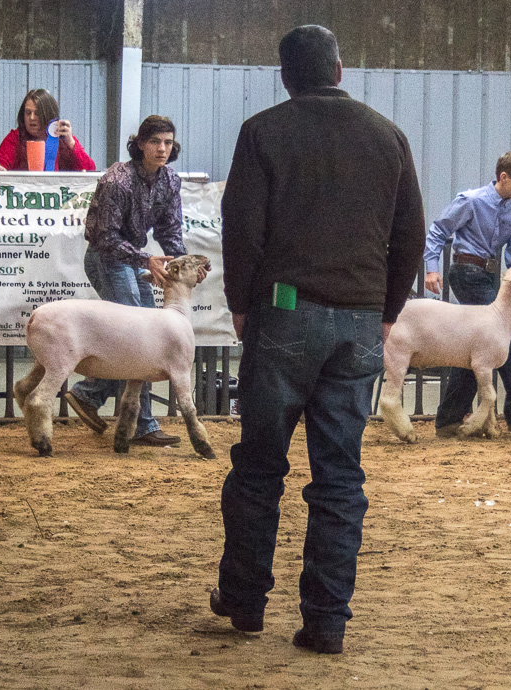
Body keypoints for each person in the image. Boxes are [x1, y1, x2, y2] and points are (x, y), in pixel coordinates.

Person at [212, 26, 425, 653]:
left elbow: (242, 228)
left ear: (285, 74)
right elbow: (409, 234)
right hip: (359, 322)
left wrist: (242, 307)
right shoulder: (388, 136)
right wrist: (385, 311)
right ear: (338, 68)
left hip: (283, 313)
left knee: (259, 465)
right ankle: (327, 621)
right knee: (340, 475)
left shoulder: (263, 131)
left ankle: (246, 601)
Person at [62, 115, 189, 448]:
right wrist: (146, 259)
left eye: (168, 143)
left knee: (146, 337)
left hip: (133, 259)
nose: (163, 149)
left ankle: (89, 394)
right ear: (141, 144)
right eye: (156, 142)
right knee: (138, 337)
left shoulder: (170, 180)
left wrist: (183, 263)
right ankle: (142, 424)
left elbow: (170, 231)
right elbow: (103, 237)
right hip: (107, 259)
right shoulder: (117, 179)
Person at [424, 152, 511, 438]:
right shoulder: (472, 200)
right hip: (466, 272)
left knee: (479, 347)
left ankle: (449, 418)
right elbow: (438, 230)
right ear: (503, 177)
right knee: (504, 341)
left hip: (493, 277)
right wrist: (431, 268)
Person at [0, 88, 96, 171]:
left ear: (48, 115)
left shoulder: (63, 139)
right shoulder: (15, 137)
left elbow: (90, 170)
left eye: (38, 113)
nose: (32, 118)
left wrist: (71, 143)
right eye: (28, 112)